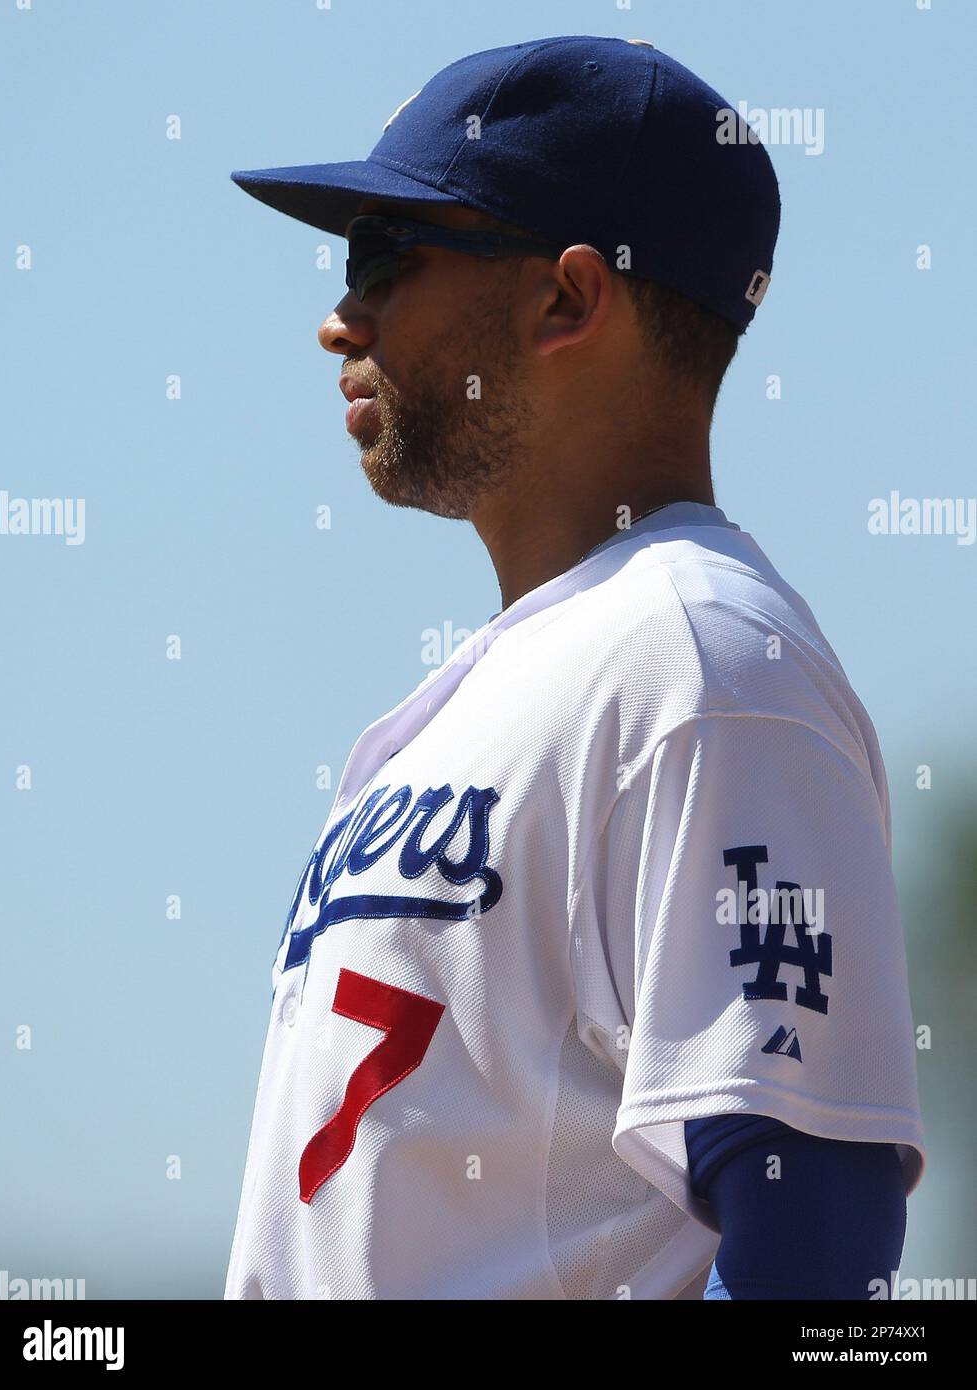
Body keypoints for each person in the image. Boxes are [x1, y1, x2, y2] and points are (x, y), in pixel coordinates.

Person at [224, 35, 925, 1301]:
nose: (341, 315)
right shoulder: (521, 678)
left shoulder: (705, 667)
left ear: (566, 299)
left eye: (385, 255)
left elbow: (806, 1225)